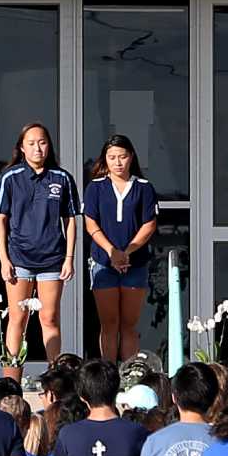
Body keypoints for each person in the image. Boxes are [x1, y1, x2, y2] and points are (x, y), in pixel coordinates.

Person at [0, 122, 79, 376]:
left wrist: (69, 257)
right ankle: (11, 378)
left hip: (52, 258)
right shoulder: (10, 177)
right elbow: (0, 220)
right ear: (21, 147)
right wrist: (4, 260)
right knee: (18, 318)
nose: (37, 148)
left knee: (49, 319)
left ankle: (55, 377)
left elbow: (71, 219)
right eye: (31, 143)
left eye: (42, 142)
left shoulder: (61, 178)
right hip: (19, 258)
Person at [81, 133, 159, 363]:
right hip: (103, 262)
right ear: (105, 159)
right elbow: (90, 222)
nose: (117, 162)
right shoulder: (95, 187)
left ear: (131, 157)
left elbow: (149, 224)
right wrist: (111, 252)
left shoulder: (144, 187)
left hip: (135, 263)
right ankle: (107, 372)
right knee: (109, 323)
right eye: (112, 157)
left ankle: (129, 374)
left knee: (129, 324)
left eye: (122, 157)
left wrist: (127, 252)